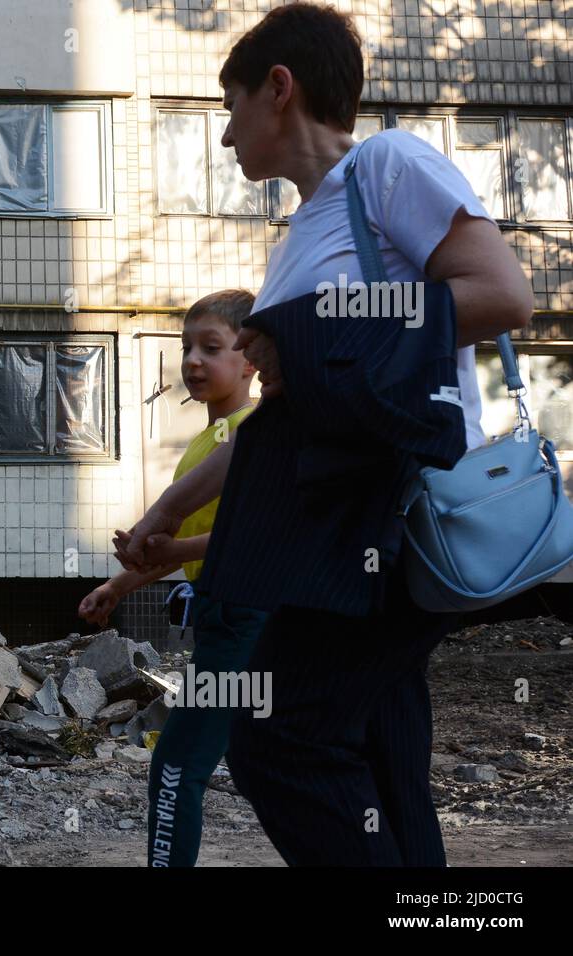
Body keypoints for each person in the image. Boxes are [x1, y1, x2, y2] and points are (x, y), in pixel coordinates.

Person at [115, 3, 533, 866]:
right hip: (328, 528)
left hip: (381, 519)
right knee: (384, 760)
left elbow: (501, 295)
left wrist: (310, 332)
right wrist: (168, 513)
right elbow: (284, 419)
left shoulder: (386, 165)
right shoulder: (304, 233)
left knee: (278, 738)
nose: (227, 139)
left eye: (230, 108)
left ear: (280, 89)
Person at [79, 289, 269, 867]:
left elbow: (256, 535)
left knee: (176, 768)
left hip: (244, 621)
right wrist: (120, 585)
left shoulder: (255, 432)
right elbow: (183, 548)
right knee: (267, 768)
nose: (192, 361)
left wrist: (172, 544)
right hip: (224, 622)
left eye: (211, 347)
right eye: (187, 347)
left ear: (252, 359)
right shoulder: (204, 447)